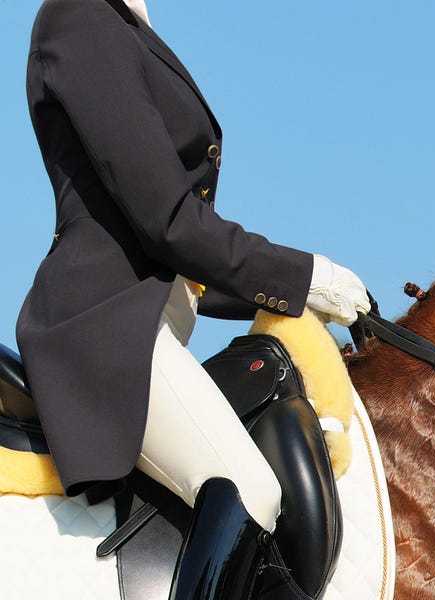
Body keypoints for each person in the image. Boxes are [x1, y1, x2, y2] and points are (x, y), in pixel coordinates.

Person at [18, 0, 370, 597]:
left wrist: (298, 300)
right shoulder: (80, 15)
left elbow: (184, 257)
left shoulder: (124, 21)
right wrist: (307, 276)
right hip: (104, 331)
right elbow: (169, 222)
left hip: (148, 322)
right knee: (248, 491)